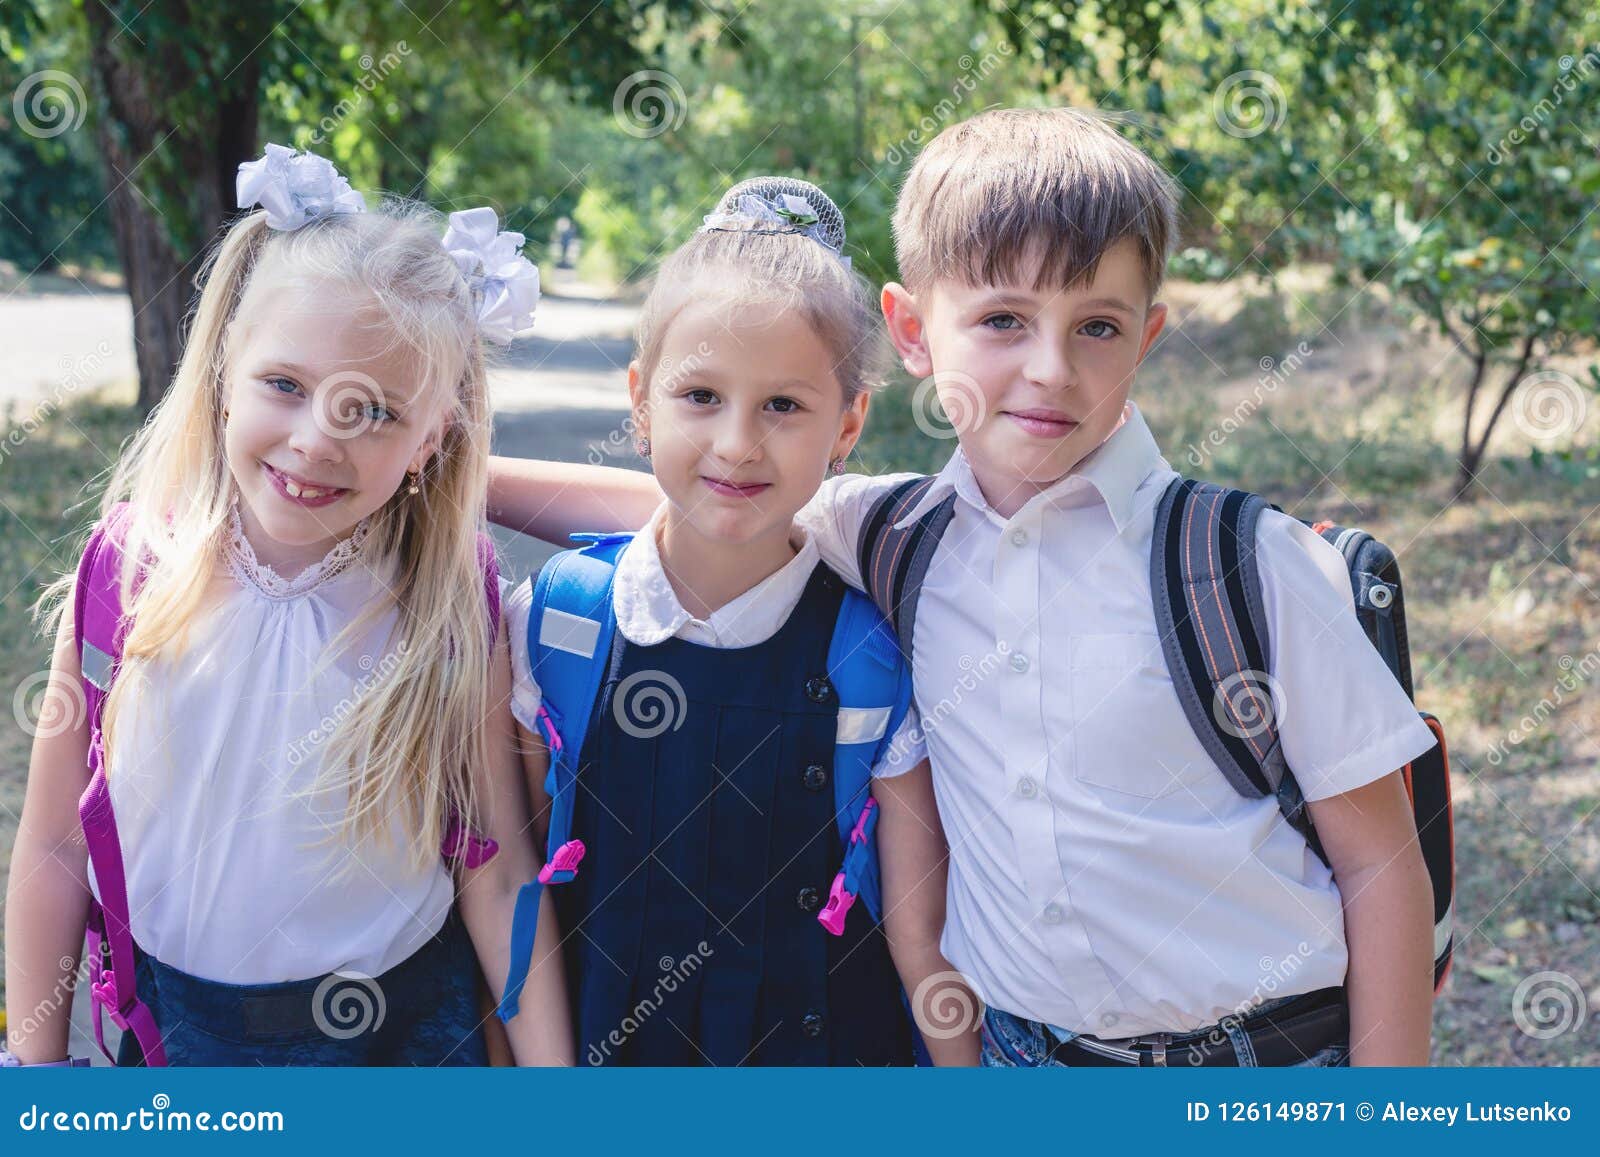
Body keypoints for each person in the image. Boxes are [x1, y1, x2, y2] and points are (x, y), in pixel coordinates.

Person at [3, 145, 570, 1067]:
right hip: (181, 1038)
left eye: (376, 413)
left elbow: (497, 869)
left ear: (436, 437)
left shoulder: (446, 602)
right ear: (227, 370)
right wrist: (35, 1073)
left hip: (405, 1045)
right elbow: (58, 846)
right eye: (286, 386)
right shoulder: (127, 571)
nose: (316, 441)